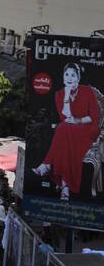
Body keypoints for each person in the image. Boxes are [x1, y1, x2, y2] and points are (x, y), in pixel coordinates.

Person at [33, 62, 100, 200]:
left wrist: (78, 121)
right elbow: (64, 117)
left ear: (78, 78)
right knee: (64, 129)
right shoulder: (59, 94)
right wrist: (67, 95)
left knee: (62, 128)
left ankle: (47, 164)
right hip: (70, 130)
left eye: (73, 75)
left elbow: (94, 117)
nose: (69, 78)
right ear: (63, 77)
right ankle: (65, 185)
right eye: (67, 74)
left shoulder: (87, 91)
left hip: (88, 128)